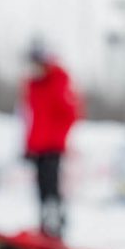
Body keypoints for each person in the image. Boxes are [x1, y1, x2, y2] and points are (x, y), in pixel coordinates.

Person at [20, 45, 82, 239]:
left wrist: (58, 139)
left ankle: (55, 223)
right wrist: (28, 145)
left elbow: (70, 113)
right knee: (40, 187)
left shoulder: (59, 81)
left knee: (51, 186)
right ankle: (45, 223)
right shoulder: (32, 85)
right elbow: (30, 118)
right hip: (37, 146)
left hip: (53, 147)